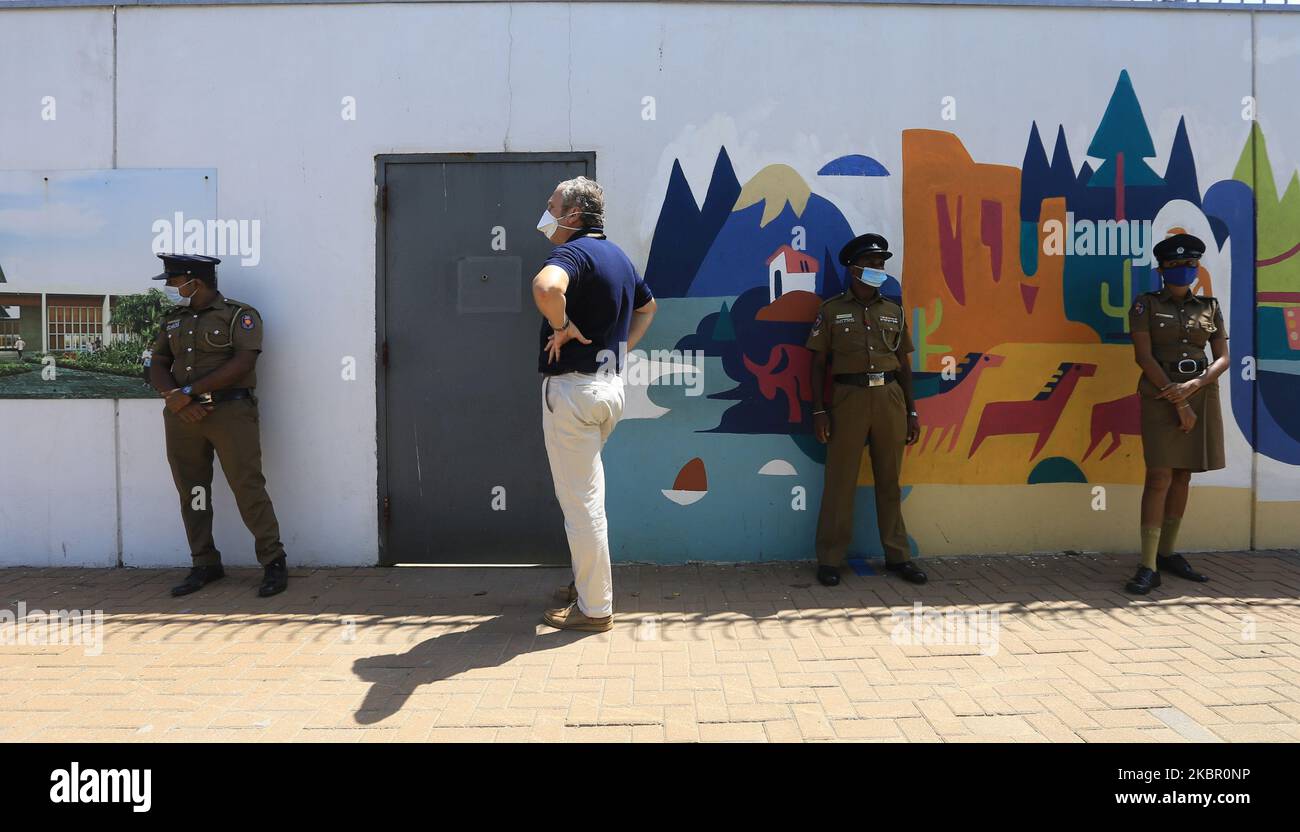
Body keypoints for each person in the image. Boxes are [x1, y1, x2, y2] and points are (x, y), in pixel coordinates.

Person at [532, 177, 657, 632]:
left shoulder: (571, 254)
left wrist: (563, 325)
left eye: (552, 205)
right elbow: (648, 308)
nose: (546, 214)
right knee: (588, 499)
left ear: (574, 216)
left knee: (582, 505)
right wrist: (621, 349)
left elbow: (546, 289)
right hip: (609, 390)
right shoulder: (618, 257)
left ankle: (595, 608)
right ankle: (588, 588)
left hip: (573, 392)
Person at [147, 253, 289, 598]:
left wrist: (189, 392)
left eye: (175, 280)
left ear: (196, 280)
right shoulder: (173, 319)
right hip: (183, 418)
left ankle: (273, 561)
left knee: (247, 487)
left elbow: (243, 362)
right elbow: (157, 361)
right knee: (193, 491)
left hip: (230, 414)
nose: (170, 286)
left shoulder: (240, 316)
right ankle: (204, 562)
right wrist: (173, 396)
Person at [807, 234, 925, 588]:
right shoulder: (831, 311)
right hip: (848, 398)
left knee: (889, 481)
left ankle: (898, 555)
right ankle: (830, 559)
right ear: (853, 269)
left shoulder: (894, 310)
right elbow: (818, 365)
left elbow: (904, 364)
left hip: (889, 397)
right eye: (872, 265)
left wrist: (912, 412)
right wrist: (819, 411)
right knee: (840, 482)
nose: (879, 271)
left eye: (881, 265)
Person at [1125, 233, 1227, 594]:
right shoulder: (1146, 305)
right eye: (1176, 265)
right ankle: (1148, 565)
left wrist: (1195, 386)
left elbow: (1223, 357)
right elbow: (1143, 356)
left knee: (1183, 475)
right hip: (1159, 395)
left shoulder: (1209, 307)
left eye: (1190, 265)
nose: (1184, 271)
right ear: (1162, 269)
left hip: (1199, 393)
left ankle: (1168, 553)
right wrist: (1178, 399)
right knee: (1158, 476)